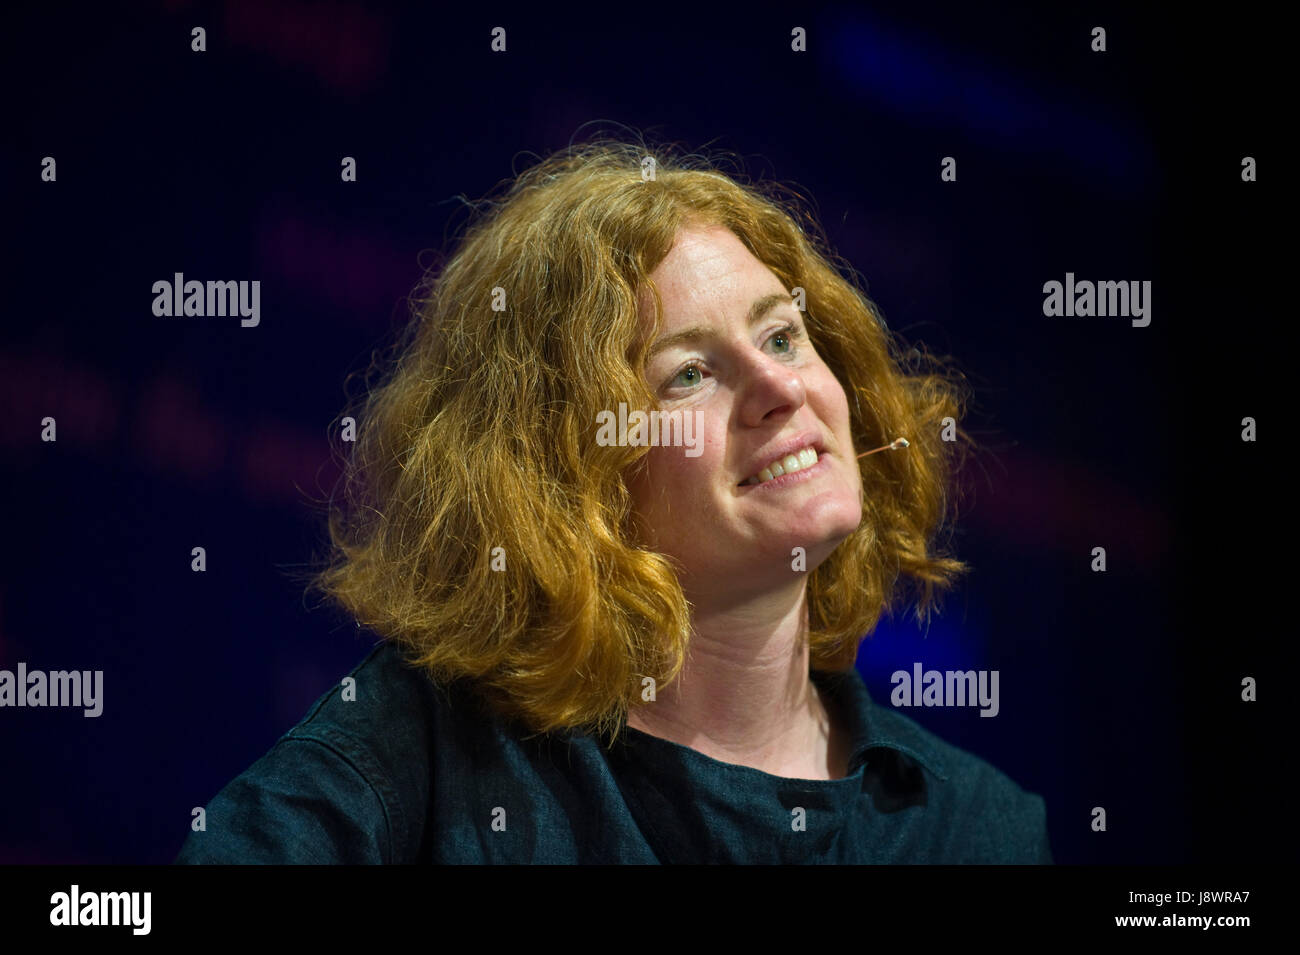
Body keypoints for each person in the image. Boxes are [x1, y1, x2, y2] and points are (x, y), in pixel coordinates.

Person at [175, 136, 1052, 864]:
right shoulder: (419, 758)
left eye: (782, 334)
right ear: (566, 476)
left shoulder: (981, 829)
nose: (778, 387)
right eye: (690, 374)